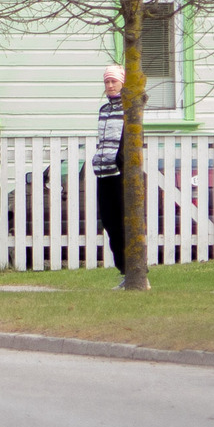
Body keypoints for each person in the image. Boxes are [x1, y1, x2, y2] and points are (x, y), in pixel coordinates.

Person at [90, 64, 127, 284]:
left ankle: (134, 272)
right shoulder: (104, 110)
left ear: (123, 82)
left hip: (120, 174)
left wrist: (119, 160)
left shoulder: (130, 109)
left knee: (124, 224)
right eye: (107, 82)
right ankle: (123, 271)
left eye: (114, 81)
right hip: (103, 173)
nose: (110, 85)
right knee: (110, 223)